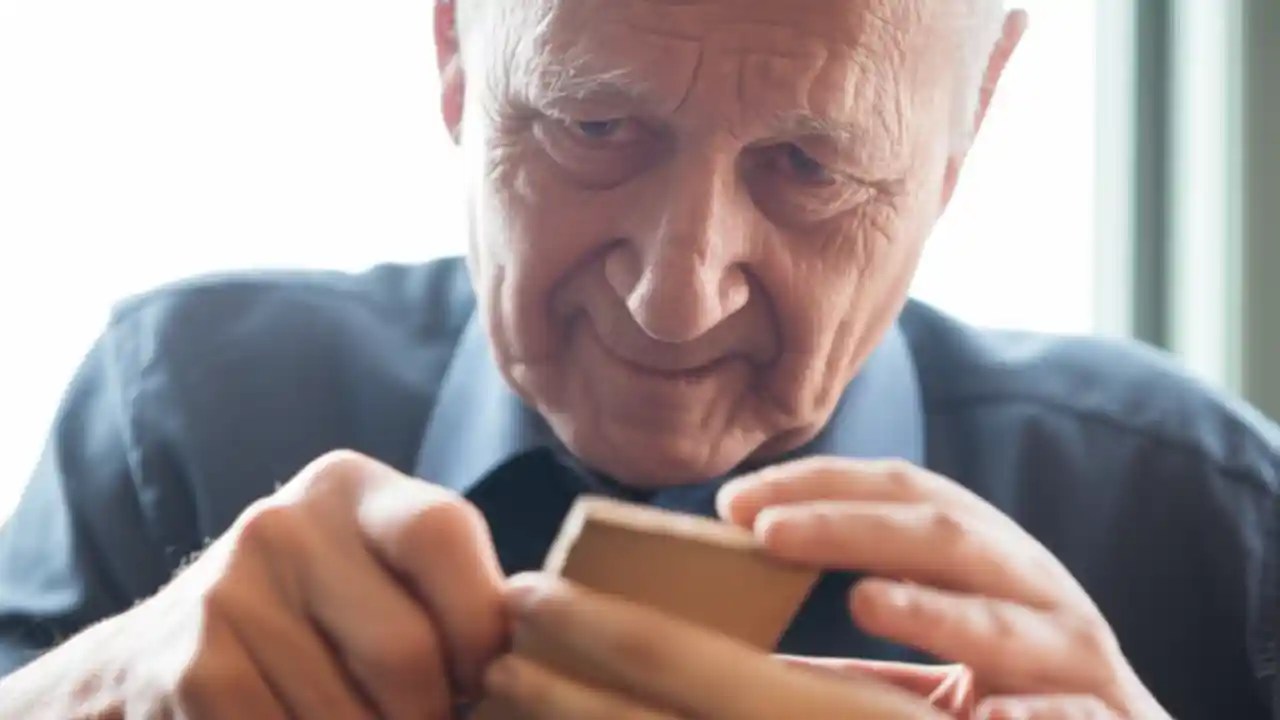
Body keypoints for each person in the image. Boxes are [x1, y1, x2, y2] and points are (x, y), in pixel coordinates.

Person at [0, 0, 1275, 717]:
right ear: (453, 47)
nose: (675, 298)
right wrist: (93, 694)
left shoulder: (1211, 528)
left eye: (809, 166)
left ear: (971, 114)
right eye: (593, 124)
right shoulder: (174, 415)